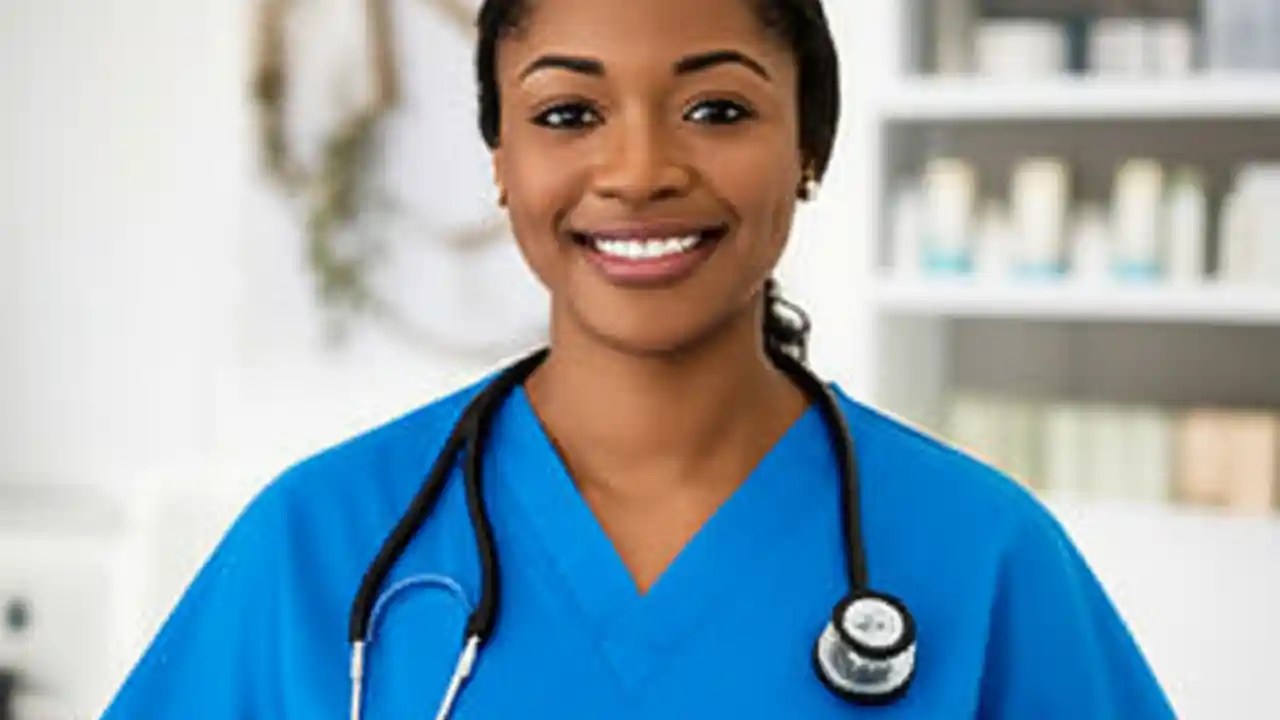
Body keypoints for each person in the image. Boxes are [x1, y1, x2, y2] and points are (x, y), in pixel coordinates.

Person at [102, 0, 1176, 717]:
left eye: (716, 108)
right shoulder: (324, 541)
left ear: (808, 146)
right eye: (567, 113)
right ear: (502, 163)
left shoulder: (981, 559)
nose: (638, 170)